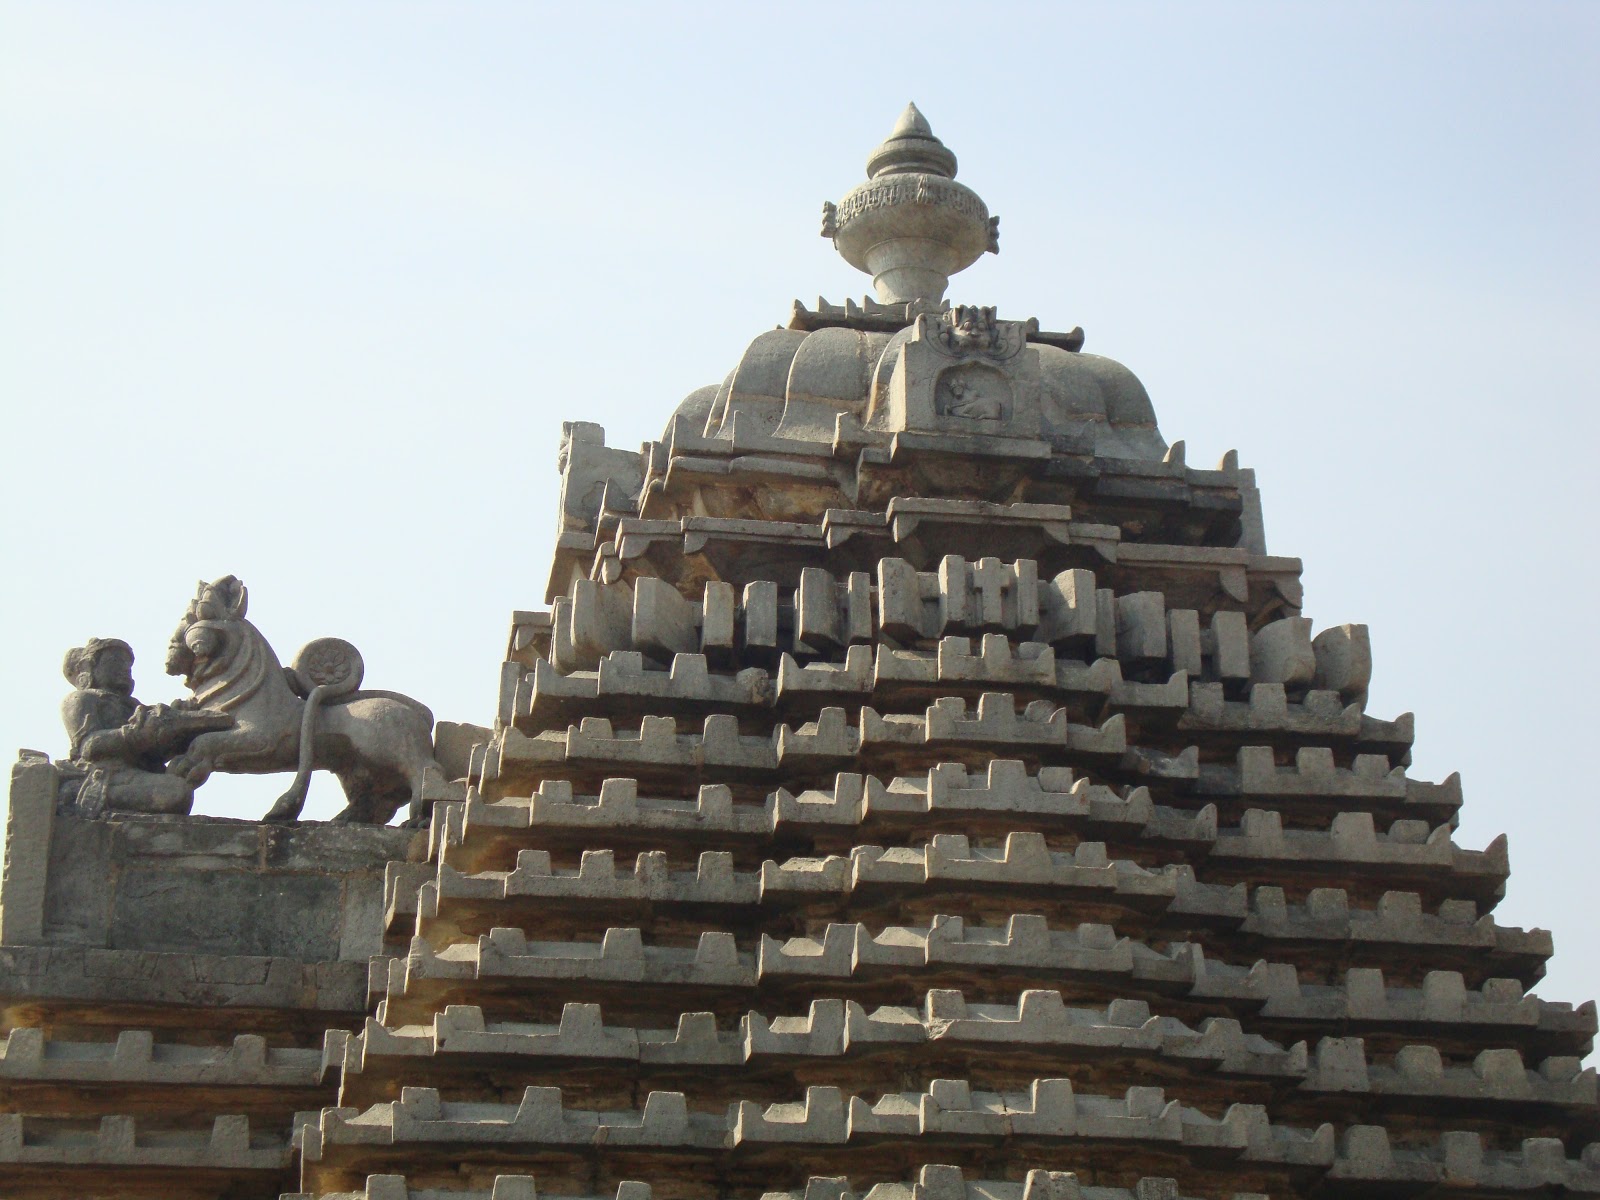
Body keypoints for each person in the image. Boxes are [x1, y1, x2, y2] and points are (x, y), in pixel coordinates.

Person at [60, 638, 196, 816]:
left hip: (138, 773)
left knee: (180, 786)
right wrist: (133, 734)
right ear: (90, 668)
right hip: (105, 776)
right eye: (115, 662)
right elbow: (89, 746)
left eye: (128, 665)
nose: (125, 669)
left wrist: (177, 729)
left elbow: (153, 752)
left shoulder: (133, 704)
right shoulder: (82, 699)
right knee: (176, 791)